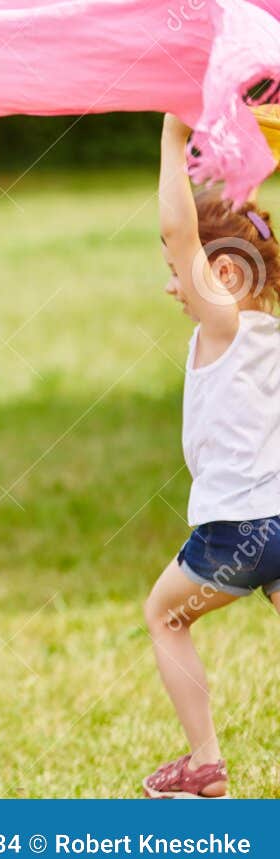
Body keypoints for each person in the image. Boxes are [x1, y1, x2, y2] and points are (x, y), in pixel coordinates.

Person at [142, 114, 280, 800]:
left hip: (238, 527)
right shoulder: (272, 332)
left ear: (223, 271)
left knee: (165, 615)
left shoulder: (223, 322)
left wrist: (172, 138)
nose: (175, 286)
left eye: (180, 274)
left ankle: (204, 762)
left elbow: (178, 229)